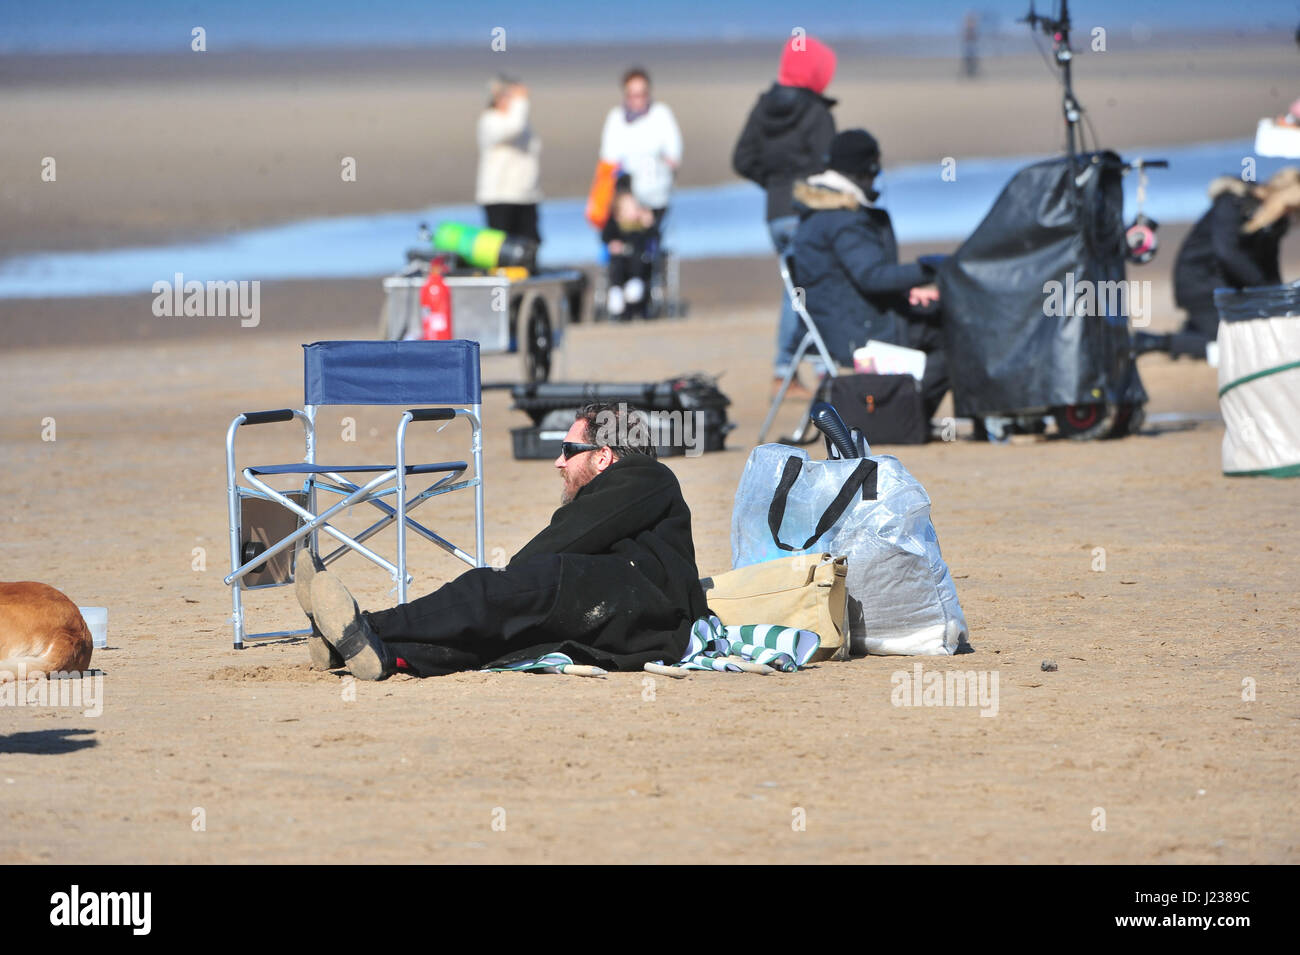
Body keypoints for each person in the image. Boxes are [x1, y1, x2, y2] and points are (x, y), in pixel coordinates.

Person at [296, 403, 709, 680]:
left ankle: (366, 625)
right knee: (494, 641)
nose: (559, 462)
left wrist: (512, 581)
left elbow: (561, 542)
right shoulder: (631, 492)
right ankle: (380, 653)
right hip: (623, 622)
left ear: (603, 456)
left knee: (492, 590)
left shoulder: (645, 475)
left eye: (569, 449)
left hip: (641, 612)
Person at [791, 129, 948, 418]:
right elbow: (871, 277)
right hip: (858, 332)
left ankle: (902, 411)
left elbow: (849, 281)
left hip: (834, 325)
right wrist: (929, 268)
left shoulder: (818, 210)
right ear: (866, 169)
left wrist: (907, 290)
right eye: (875, 168)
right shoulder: (845, 219)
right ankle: (905, 416)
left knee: (934, 317)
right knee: (950, 331)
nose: (877, 177)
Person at [732, 34, 837, 397]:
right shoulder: (817, 113)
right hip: (808, 212)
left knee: (795, 288)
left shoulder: (763, 108)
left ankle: (792, 370)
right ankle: (809, 369)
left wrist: (775, 184)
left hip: (776, 213)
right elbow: (829, 166)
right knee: (811, 288)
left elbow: (742, 160)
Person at [1140, 168, 1299, 360]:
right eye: (1292, 208)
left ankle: (1193, 329)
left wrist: (1279, 301)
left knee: (1258, 334)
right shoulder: (1233, 204)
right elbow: (1227, 254)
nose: (1293, 216)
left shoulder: (1276, 223)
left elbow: (1269, 266)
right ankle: (1155, 342)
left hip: (1229, 287)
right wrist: (1261, 288)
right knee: (1234, 346)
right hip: (1199, 284)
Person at [599, 67, 682, 224]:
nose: (638, 99)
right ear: (626, 94)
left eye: (642, 94)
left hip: (658, 194)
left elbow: (674, 153)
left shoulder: (661, 114)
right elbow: (608, 157)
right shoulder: (616, 118)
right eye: (633, 95)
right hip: (625, 197)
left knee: (652, 235)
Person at [476, 74, 542, 244]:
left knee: (529, 245)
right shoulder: (490, 120)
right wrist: (521, 102)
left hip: (526, 195)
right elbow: (513, 129)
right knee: (501, 248)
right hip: (499, 196)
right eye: (508, 96)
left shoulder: (522, 122)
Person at [601, 173, 660, 319]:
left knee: (639, 259)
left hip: (639, 261)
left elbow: (655, 237)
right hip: (620, 261)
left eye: (633, 207)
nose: (632, 211)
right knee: (616, 263)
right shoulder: (615, 225)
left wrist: (649, 224)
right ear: (618, 213)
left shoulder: (641, 225)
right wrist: (613, 243)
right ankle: (616, 291)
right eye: (627, 209)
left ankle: (635, 285)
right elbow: (606, 236)